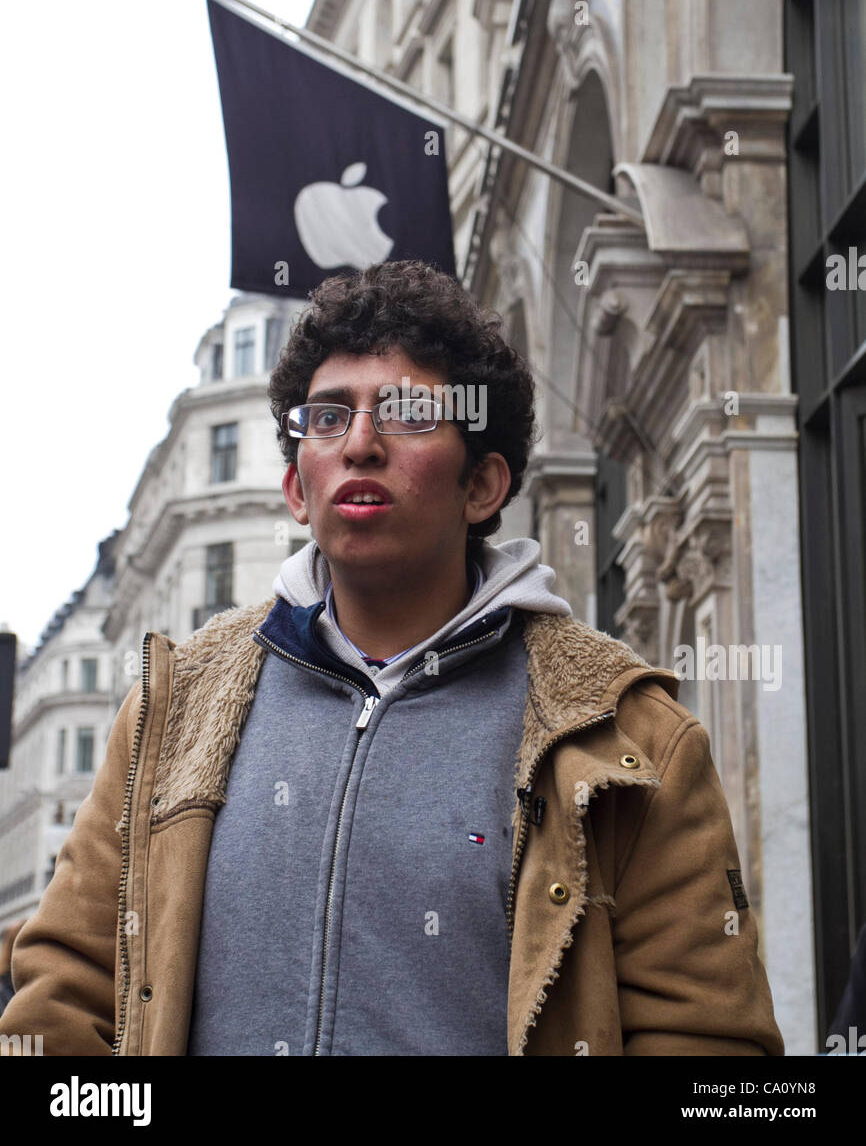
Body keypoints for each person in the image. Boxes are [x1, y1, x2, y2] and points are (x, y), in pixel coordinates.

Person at [0, 260, 784, 1056]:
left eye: (407, 414)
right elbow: (64, 987)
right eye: (329, 417)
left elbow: (706, 1038)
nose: (361, 443)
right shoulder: (173, 713)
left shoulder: (630, 740)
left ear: (482, 486)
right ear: (298, 491)